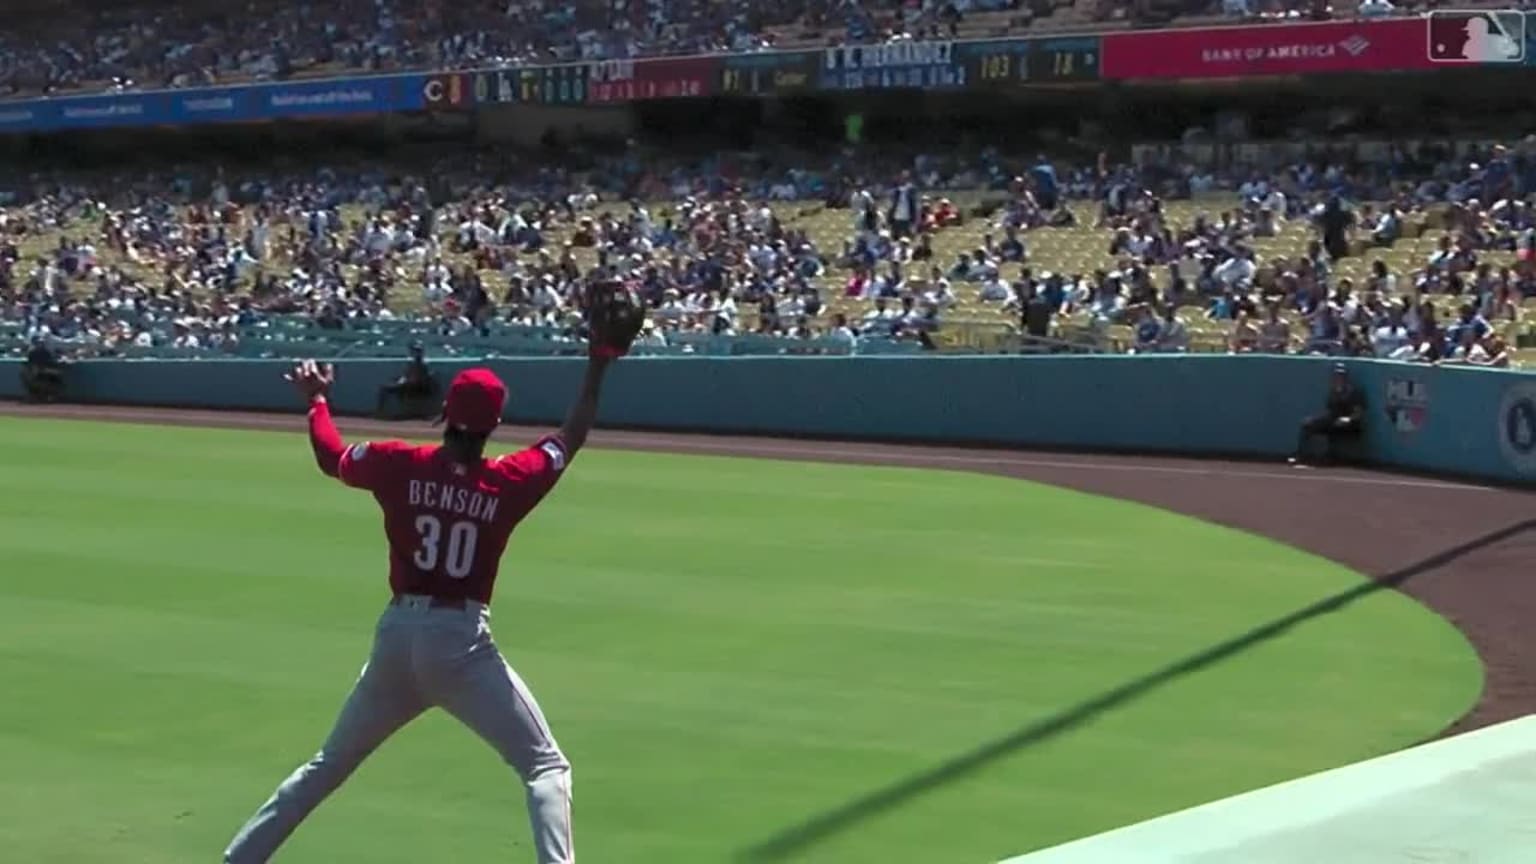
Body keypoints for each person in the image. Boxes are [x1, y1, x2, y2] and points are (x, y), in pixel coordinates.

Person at [223, 287, 645, 864]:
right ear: (495, 424)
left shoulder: (399, 463)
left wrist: (317, 401)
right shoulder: (507, 482)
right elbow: (569, 438)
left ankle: (237, 859)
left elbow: (332, 457)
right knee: (545, 768)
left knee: (327, 767)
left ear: (446, 413)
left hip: (396, 640)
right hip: (461, 645)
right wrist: (597, 363)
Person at [1290, 362, 1366, 467]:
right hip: (1333, 420)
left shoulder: (1353, 392)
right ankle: (1301, 455)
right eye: (1336, 375)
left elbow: (1359, 413)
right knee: (1307, 424)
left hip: (1350, 425)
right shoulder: (1333, 392)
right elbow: (1330, 410)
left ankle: (1329, 456)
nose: (1338, 378)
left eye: (1341, 375)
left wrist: (1348, 419)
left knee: (1333, 428)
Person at [376, 342, 438, 419]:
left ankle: (382, 412)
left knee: (388, 389)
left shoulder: (423, 364)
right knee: (385, 388)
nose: (415, 353)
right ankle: (382, 412)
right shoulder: (413, 363)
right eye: (414, 351)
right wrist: (400, 380)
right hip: (409, 385)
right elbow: (407, 376)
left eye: (417, 351)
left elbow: (419, 378)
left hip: (417, 387)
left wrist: (404, 381)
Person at [21, 337, 65, 402]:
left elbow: (51, 362)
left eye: (41, 343)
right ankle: (40, 396)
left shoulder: (46, 352)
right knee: (49, 377)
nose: (40, 345)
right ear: (35, 344)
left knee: (57, 376)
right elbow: (32, 365)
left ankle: (50, 396)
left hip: (44, 371)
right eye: (39, 343)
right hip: (37, 373)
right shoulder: (32, 353)